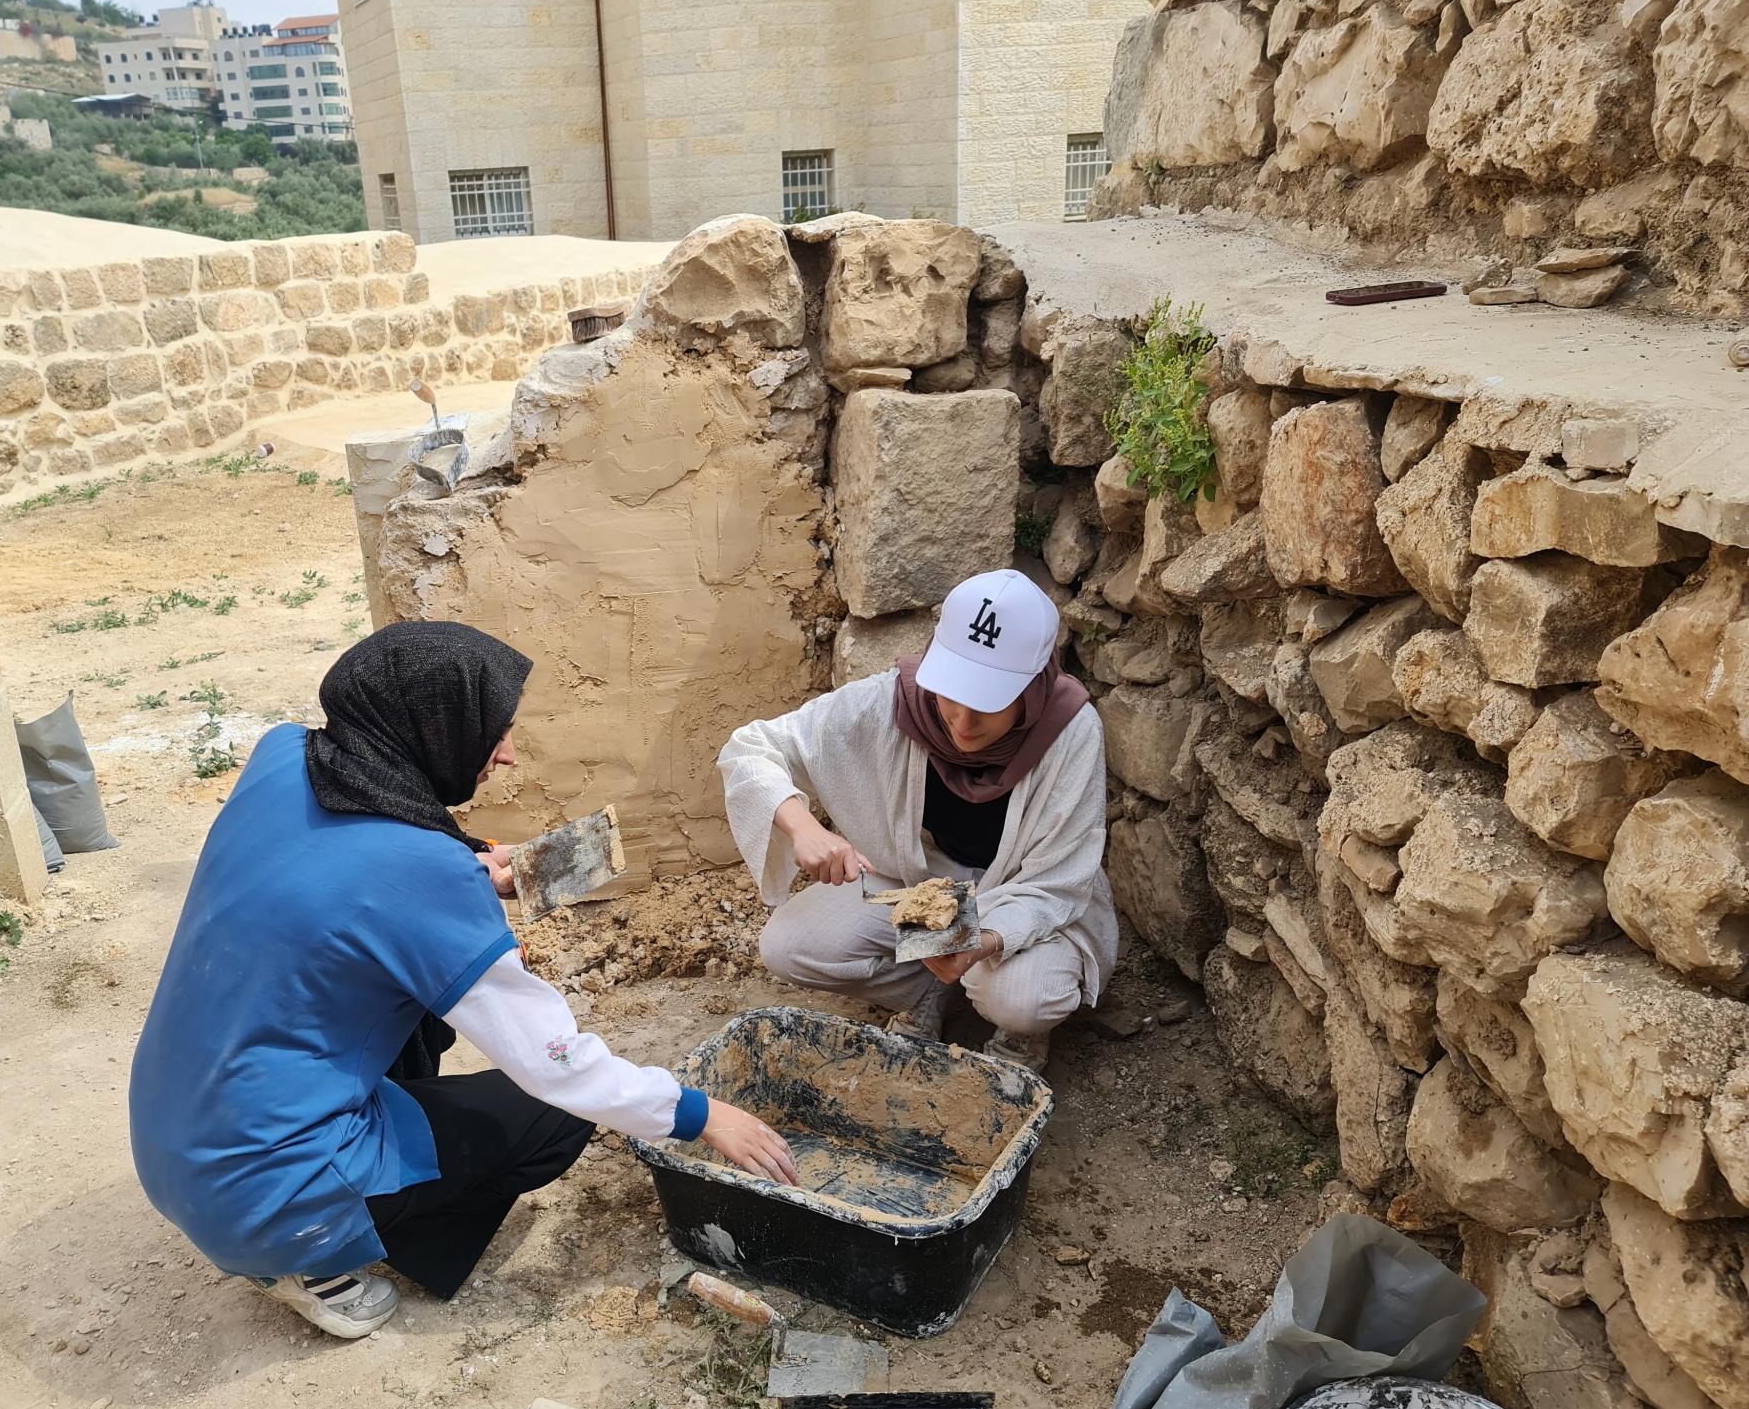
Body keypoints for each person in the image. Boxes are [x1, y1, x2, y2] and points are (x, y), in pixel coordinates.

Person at [129, 622, 799, 1340]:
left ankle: (330, 1205)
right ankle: (315, 1256)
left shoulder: (280, 756)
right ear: (435, 726)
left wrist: (467, 862)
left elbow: (332, 867)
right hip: (261, 1191)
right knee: (557, 1117)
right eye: (493, 732)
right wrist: (704, 1116)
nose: (506, 754)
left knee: (393, 1004)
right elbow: (556, 1065)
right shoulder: (420, 875)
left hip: (172, 1134)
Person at [718, 568, 1117, 1071]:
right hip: (924, 883)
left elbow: (1058, 880)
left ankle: (1014, 1030)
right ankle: (932, 989)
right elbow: (751, 748)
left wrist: (982, 941)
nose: (961, 723)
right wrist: (805, 828)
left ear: (1033, 689)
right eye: (951, 693)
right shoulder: (896, 701)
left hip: (1023, 890)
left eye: (987, 705)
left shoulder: (1072, 731)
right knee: (789, 946)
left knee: (1023, 999)